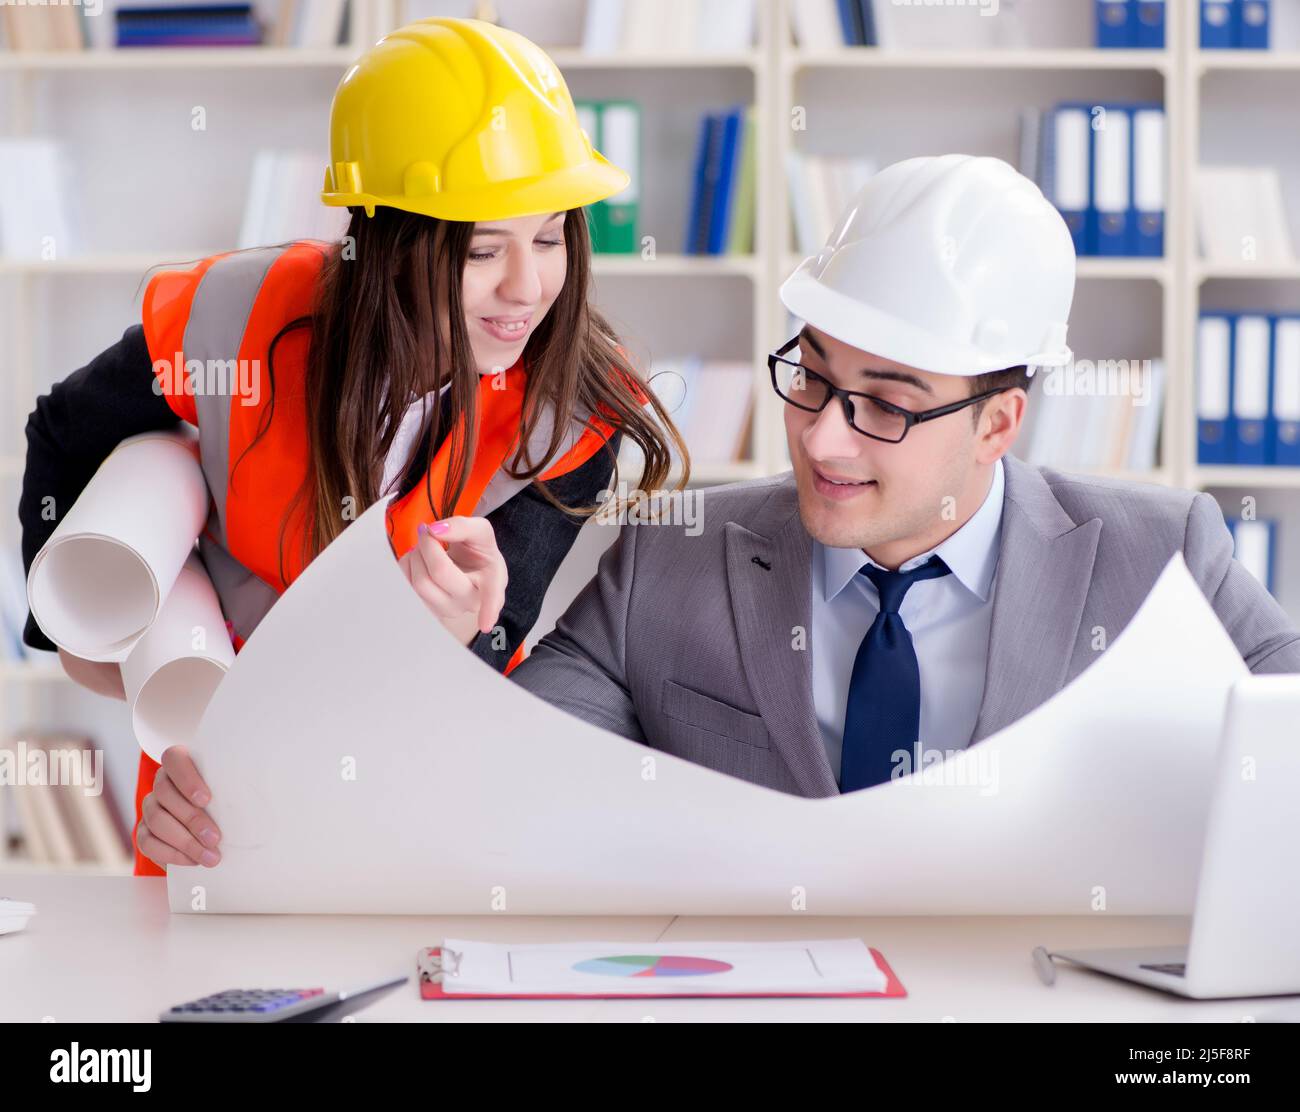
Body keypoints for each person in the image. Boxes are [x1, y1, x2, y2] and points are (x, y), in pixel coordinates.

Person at [18, 18, 685, 873]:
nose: (528, 288)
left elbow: (490, 659)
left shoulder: (571, 414)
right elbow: (62, 432)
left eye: (550, 237)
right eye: (484, 249)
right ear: (387, 243)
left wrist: (441, 643)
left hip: (408, 811)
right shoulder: (238, 316)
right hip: (205, 795)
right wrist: (88, 646)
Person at [510, 154, 1300, 797]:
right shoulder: (667, 557)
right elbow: (516, 767)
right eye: (812, 378)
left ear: (997, 423)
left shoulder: (1164, 557)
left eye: (885, 406)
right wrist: (460, 630)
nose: (823, 440)